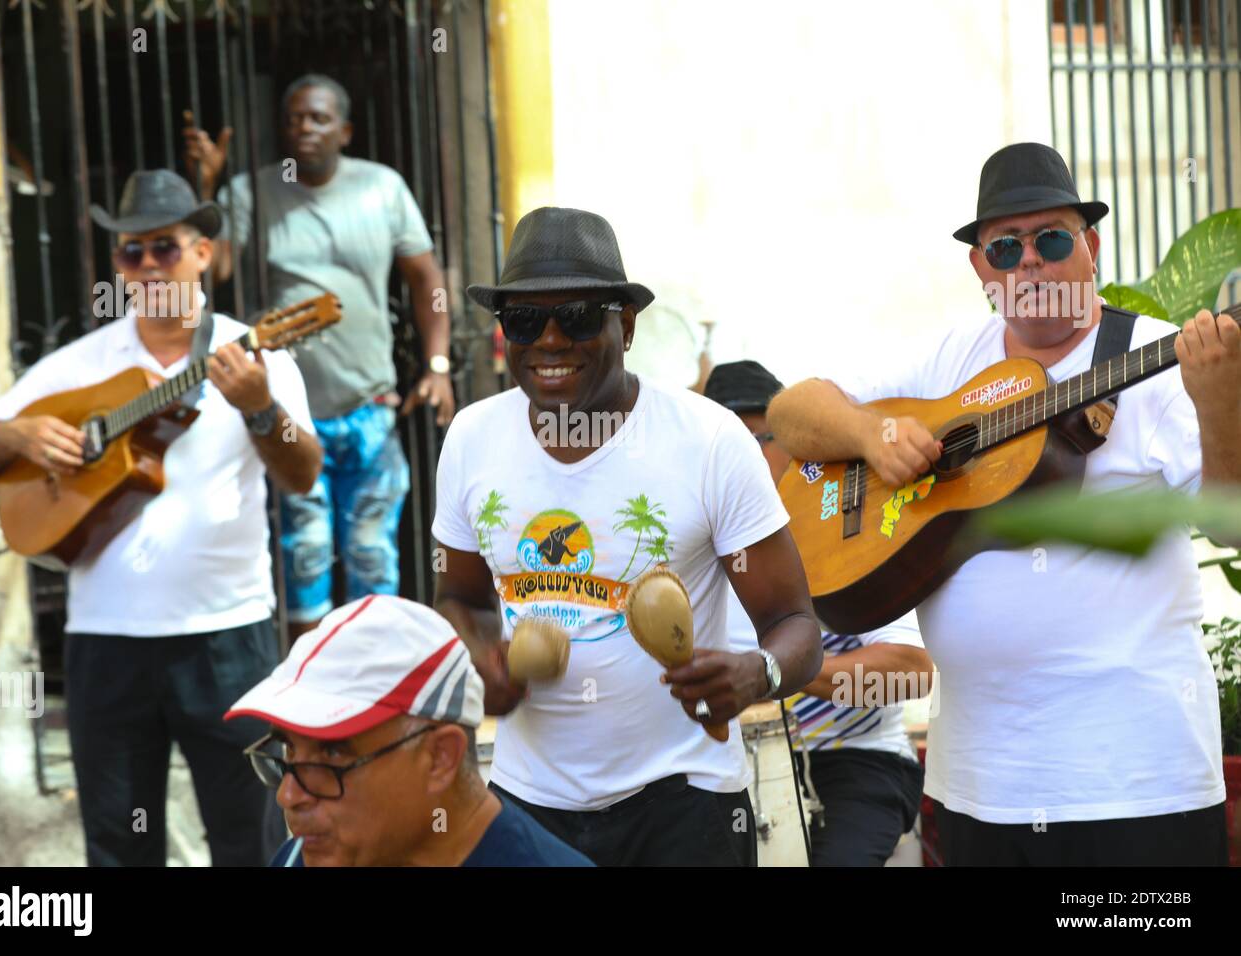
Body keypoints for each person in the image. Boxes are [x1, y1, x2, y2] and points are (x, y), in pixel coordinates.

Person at [768, 142, 1239, 866]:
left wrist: (1221, 407)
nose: (1031, 263)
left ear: (1090, 247)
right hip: (983, 788)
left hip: (1138, 783)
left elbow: (1225, 521)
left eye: (1051, 239)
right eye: (1005, 247)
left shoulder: (1156, 357)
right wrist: (873, 433)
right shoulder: (948, 358)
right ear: (981, 268)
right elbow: (793, 411)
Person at [431, 207, 823, 867]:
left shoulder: (708, 439)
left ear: (628, 325)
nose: (549, 340)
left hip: (686, 801)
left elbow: (795, 625)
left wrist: (758, 673)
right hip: (527, 805)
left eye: (578, 315)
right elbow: (460, 600)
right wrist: (484, 660)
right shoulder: (472, 438)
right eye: (524, 320)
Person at [0, 169, 323, 865]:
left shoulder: (253, 352)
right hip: (106, 643)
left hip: (225, 637)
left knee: (251, 837)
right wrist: (26, 435)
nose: (149, 265)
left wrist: (260, 409)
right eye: (131, 252)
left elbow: (303, 474)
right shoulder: (82, 365)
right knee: (119, 847)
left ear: (203, 253)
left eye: (165, 247)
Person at [183, 74, 454, 642]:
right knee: (304, 553)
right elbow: (214, 274)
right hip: (286, 412)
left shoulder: (382, 188)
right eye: (294, 119)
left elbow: (427, 277)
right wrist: (206, 189)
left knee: (371, 550)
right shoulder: (251, 192)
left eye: (319, 119)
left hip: (370, 404)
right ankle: (313, 687)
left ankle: (375, 681)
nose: (304, 129)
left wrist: (437, 366)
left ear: (346, 130)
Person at [705, 360, 933, 867]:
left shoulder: (844, 526)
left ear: (795, 445)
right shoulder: (688, 538)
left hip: (852, 759)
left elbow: (912, 673)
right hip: (728, 762)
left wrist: (773, 671)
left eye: (761, 439)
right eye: (729, 444)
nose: (747, 459)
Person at [226, 595, 592, 866]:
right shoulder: (297, 859)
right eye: (289, 750)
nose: (289, 795)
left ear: (439, 757)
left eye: (332, 753)